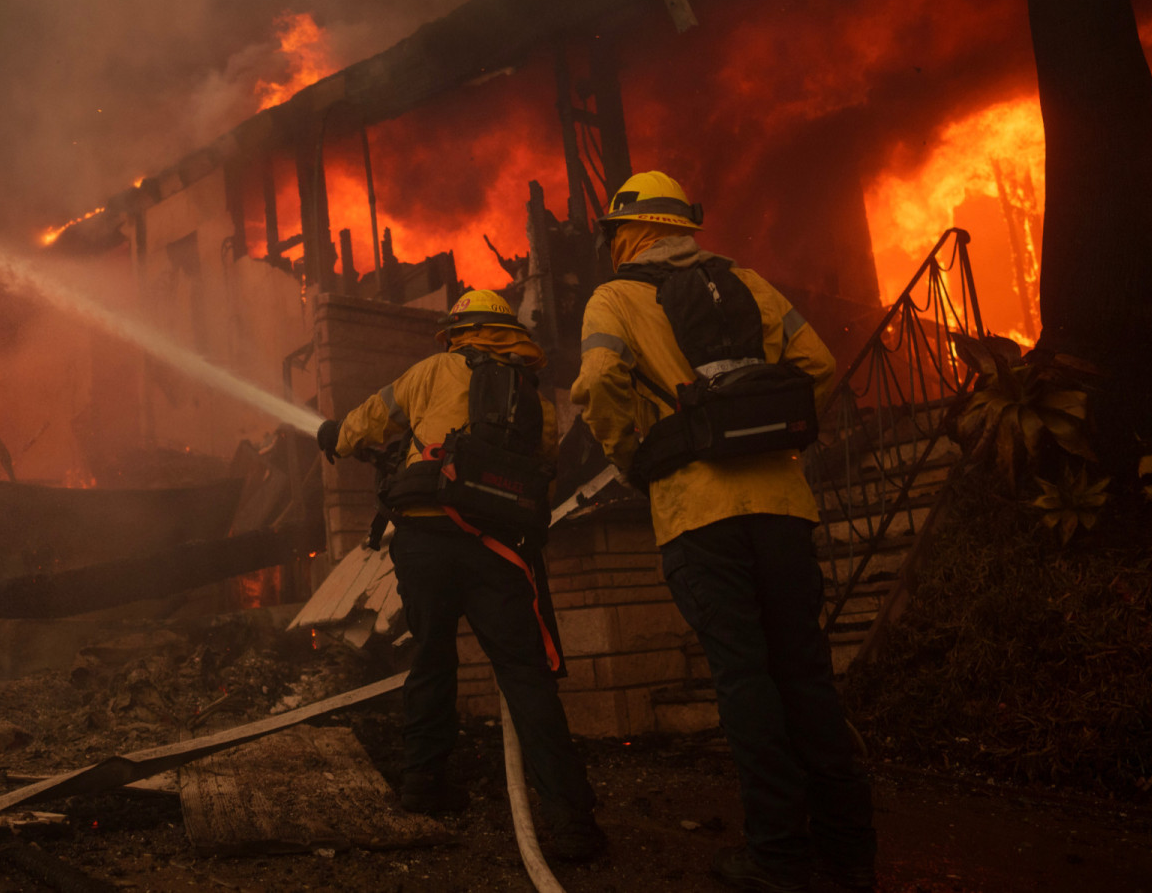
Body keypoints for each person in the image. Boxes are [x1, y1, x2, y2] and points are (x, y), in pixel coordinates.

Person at [571, 171, 877, 892]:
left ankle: (778, 857)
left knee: (745, 685)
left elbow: (599, 384)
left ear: (627, 232)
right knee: (806, 678)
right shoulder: (748, 283)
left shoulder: (614, 297)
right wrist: (779, 432)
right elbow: (818, 365)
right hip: (783, 506)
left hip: (698, 515)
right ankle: (849, 854)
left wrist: (636, 456)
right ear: (682, 225)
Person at [316, 289, 606, 863]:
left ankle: (423, 785)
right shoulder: (534, 399)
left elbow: (370, 418)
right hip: (497, 548)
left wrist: (335, 435)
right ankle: (573, 823)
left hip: (424, 540)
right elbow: (544, 474)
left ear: (457, 332)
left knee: (431, 658)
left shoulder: (433, 370)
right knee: (525, 676)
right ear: (508, 335)